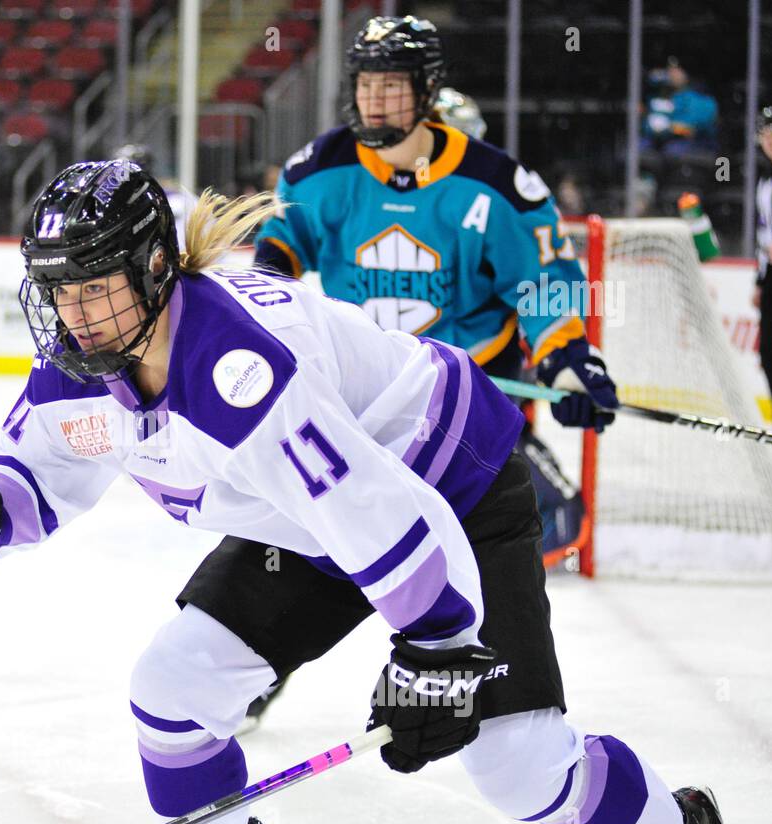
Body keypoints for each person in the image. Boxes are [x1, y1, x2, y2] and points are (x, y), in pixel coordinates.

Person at [0, 158, 741, 824]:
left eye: (94, 290)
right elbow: (40, 459)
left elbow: (375, 506)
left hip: (452, 486)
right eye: (59, 294)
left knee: (520, 770)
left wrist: (438, 645)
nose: (74, 317)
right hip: (305, 519)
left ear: (154, 269)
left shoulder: (237, 371)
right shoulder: (85, 361)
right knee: (174, 690)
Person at [252, 15, 610, 579]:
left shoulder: (494, 184)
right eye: (366, 84)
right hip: (362, 404)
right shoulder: (320, 171)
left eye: (391, 85)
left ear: (425, 90)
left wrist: (567, 360)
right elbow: (276, 257)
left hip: (470, 409)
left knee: (496, 576)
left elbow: (542, 285)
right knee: (286, 573)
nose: (375, 100)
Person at [640, 57, 719, 164]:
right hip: (659, 141)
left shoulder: (701, 97)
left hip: (694, 144)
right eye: (669, 69)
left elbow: (691, 127)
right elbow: (650, 121)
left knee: (672, 151)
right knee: (637, 148)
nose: (671, 73)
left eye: (677, 69)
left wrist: (667, 128)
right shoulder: (661, 94)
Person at [754, 106, 772, 408]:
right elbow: (763, 234)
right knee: (768, 356)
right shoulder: (764, 183)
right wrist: (759, 280)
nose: (769, 140)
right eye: (766, 134)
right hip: (771, 276)